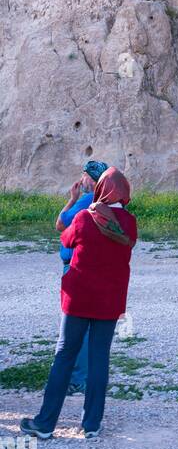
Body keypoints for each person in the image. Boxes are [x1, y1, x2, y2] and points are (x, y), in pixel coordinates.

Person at [21, 167, 137, 441]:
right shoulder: (129, 223)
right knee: (99, 359)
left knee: (64, 356)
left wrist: (75, 204)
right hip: (109, 302)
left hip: (78, 300)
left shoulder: (86, 217)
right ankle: (92, 424)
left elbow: (65, 238)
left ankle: (45, 423)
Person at [55, 160, 109, 394]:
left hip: (76, 268)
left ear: (92, 179)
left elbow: (60, 224)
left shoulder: (88, 200)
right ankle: (85, 377)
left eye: (85, 175)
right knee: (89, 326)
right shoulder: (107, 202)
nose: (82, 179)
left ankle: (76, 379)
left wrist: (72, 199)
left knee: (73, 326)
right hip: (94, 269)